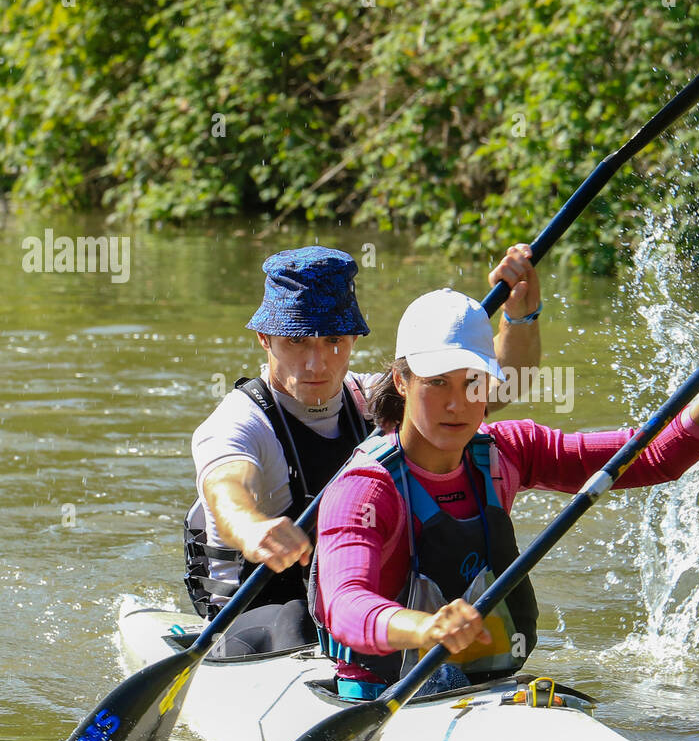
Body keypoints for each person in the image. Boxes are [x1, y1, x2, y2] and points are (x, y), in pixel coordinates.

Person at [310, 289, 699, 699]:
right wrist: (426, 628)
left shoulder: (507, 451)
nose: (456, 403)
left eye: (472, 382)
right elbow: (348, 605)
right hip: (381, 695)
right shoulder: (365, 490)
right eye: (437, 382)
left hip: (482, 689)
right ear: (403, 380)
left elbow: (652, 456)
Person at [185, 245, 542, 657]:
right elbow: (225, 488)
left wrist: (520, 317)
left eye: (333, 340)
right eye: (297, 342)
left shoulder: (376, 397)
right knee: (298, 618)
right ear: (265, 339)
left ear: (354, 337)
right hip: (255, 614)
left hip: (352, 608)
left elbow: (498, 389)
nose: (316, 364)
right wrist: (251, 529)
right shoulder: (238, 422)